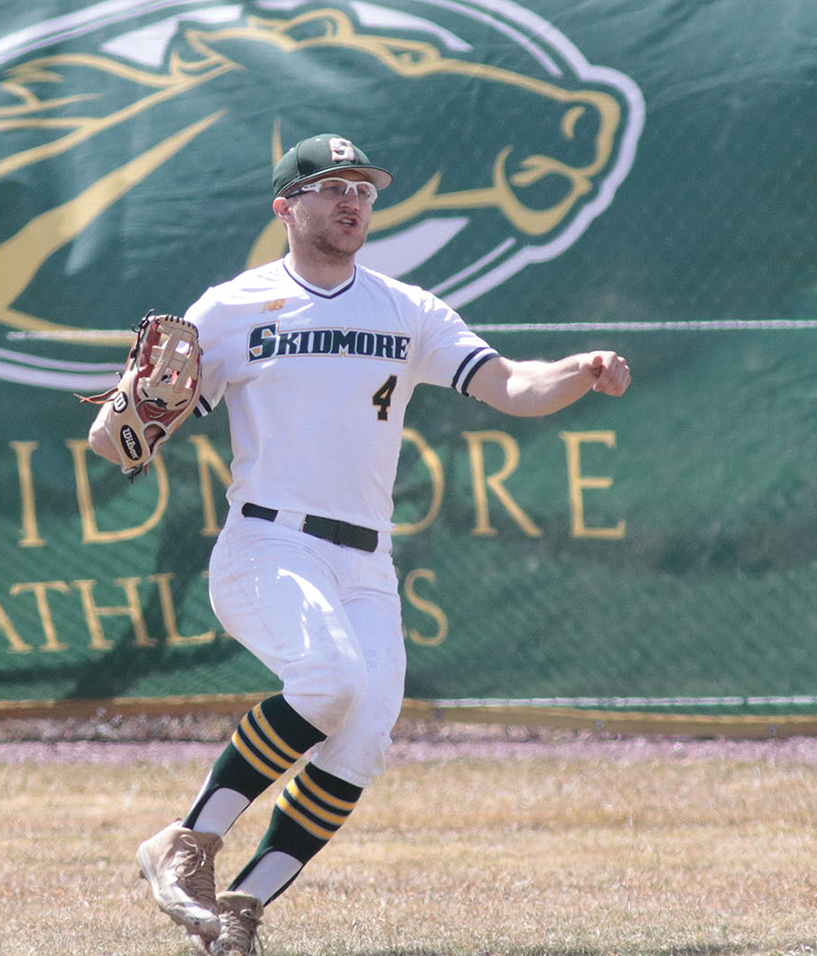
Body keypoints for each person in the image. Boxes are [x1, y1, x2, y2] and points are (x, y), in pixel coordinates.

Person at [87, 133, 631, 955]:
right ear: (285, 206)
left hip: (364, 561)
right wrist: (131, 412)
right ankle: (186, 842)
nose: (352, 201)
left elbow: (510, 386)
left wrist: (579, 369)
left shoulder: (405, 309)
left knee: (364, 732)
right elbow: (118, 443)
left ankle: (239, 910)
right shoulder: (232, 306)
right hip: (268, 546)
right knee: (331, 678)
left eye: (364, 190)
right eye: (331, 186)